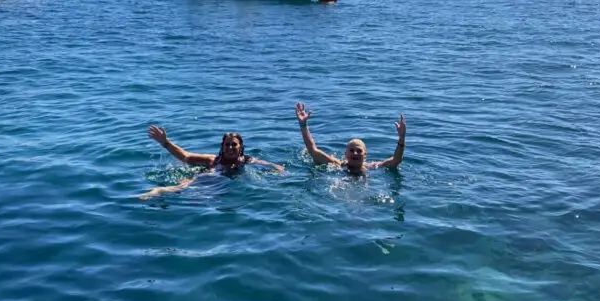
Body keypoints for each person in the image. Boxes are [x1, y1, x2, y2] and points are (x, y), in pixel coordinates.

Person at [142, 126, 284, 199]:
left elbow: (268, 164)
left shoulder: (246, 160)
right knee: (185, 185)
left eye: (233, 144)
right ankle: (159, 191)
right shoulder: (212, 159)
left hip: (219, 185)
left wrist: (278, 168)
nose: (230, 148)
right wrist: (165, 143)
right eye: (227, 144)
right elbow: (185, 156)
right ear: (222, 147)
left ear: (241, 147)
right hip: (207, 176)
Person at [294, 102, 406, 175]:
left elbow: (396, 160)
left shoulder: (373, 167)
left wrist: (401, 138)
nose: (355, 153)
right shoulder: (337, 165)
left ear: (365, 155)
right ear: (345, 154)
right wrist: (303, 125)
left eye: (359, 151)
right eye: (351, 150)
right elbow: (313, 150)